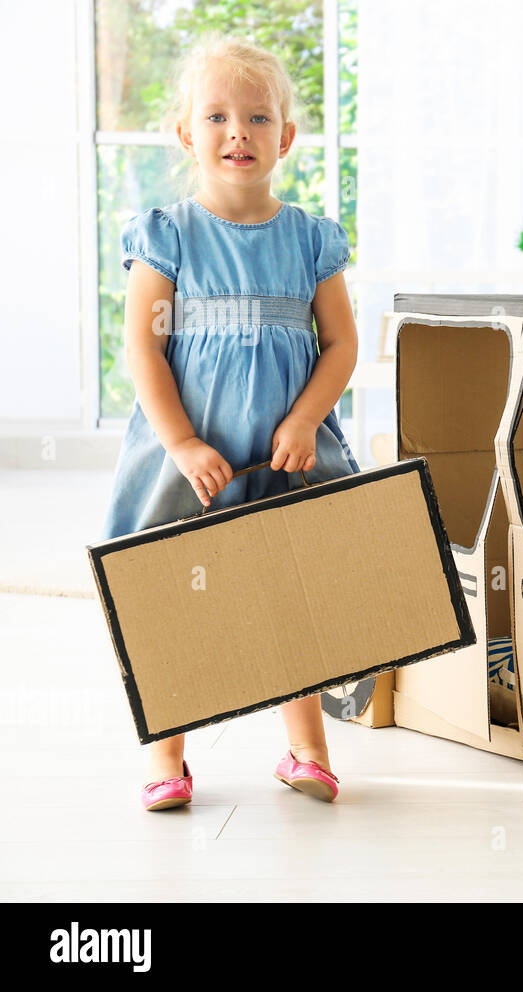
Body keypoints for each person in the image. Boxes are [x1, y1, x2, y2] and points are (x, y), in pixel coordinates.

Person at [101, 36, 360, 810]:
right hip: (190, 456)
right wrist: (181, 442)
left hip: (285, 451)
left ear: (286, 136)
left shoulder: (309, 238)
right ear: (187, 134)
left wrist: (307, 418)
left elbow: (342, 344)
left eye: (257, 117)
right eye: (216, 116)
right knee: (175, 593)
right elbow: (143, 347)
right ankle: (166, 757)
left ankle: (307, 750)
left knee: (291, 588)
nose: (237, 132)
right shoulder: (169, 235)